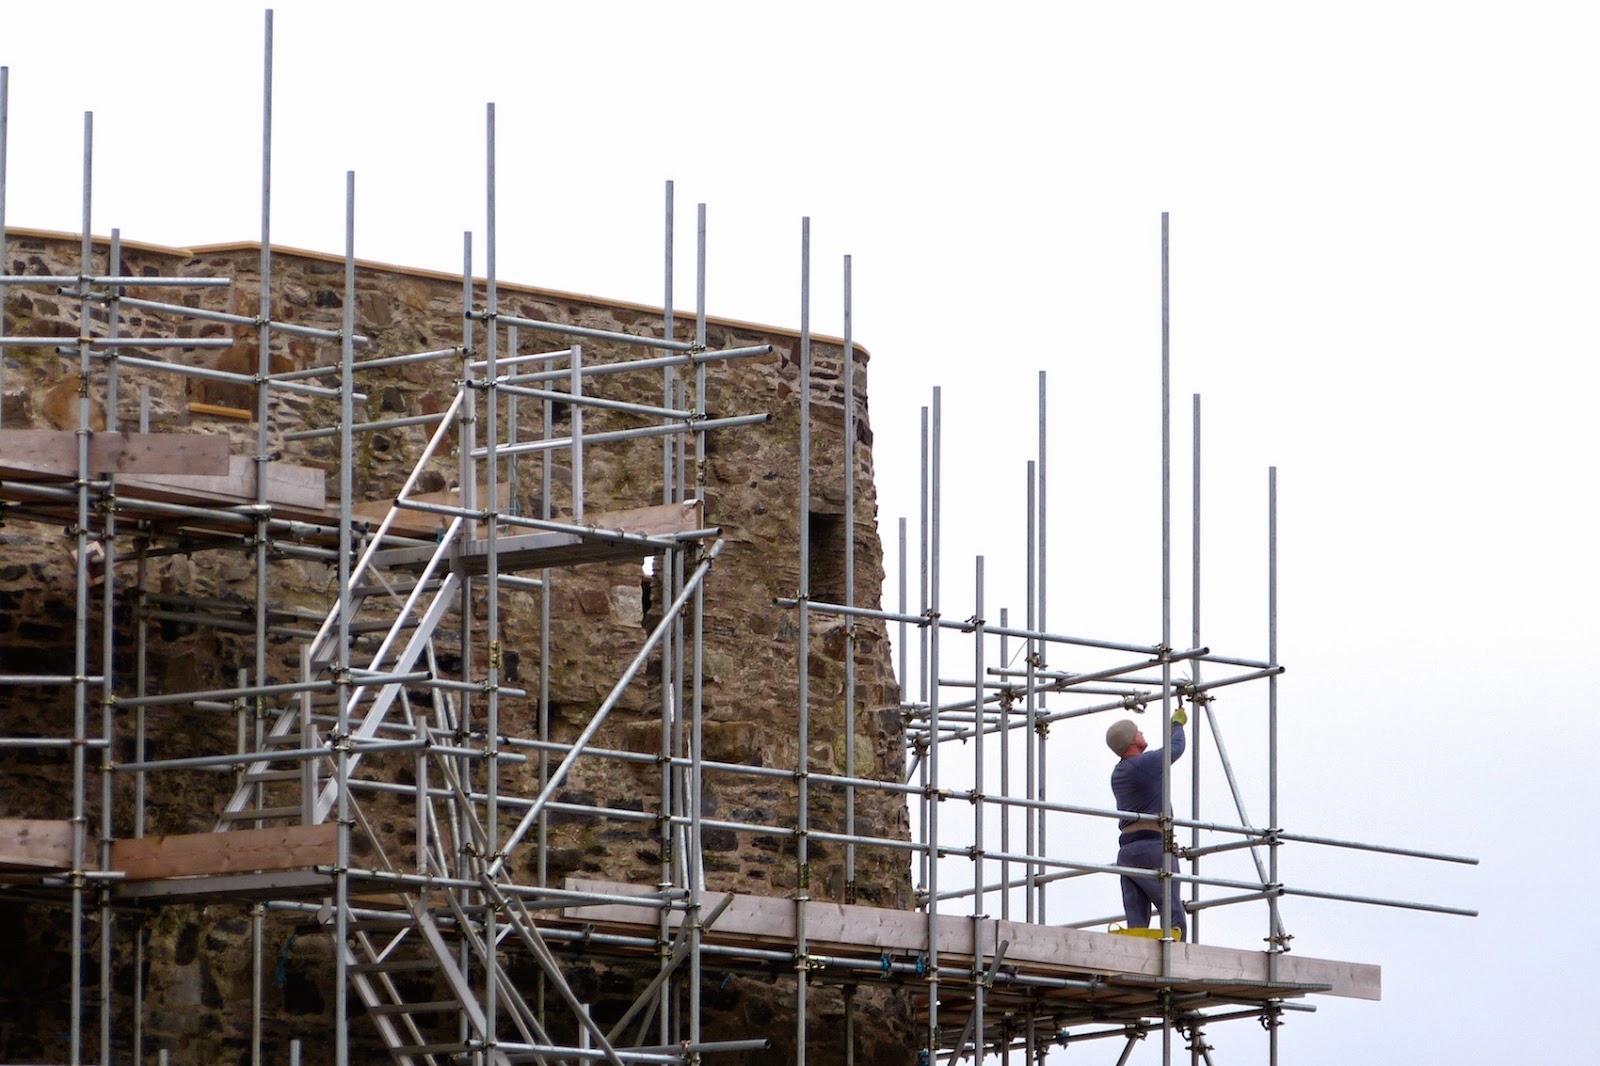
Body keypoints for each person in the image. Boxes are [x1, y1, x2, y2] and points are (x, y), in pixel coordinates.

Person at [1105, 705, 1188, 940]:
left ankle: (1135, 958)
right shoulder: (1142, 765)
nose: (1142, 733)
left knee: (1136, 918)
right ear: (1132, 741)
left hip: (1128, 852)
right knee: (1171, 911)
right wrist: (1177, 725)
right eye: (1138, 731)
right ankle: (1177, 957)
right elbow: (1175, 748)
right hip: (1153, 847)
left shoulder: (1119, 772)